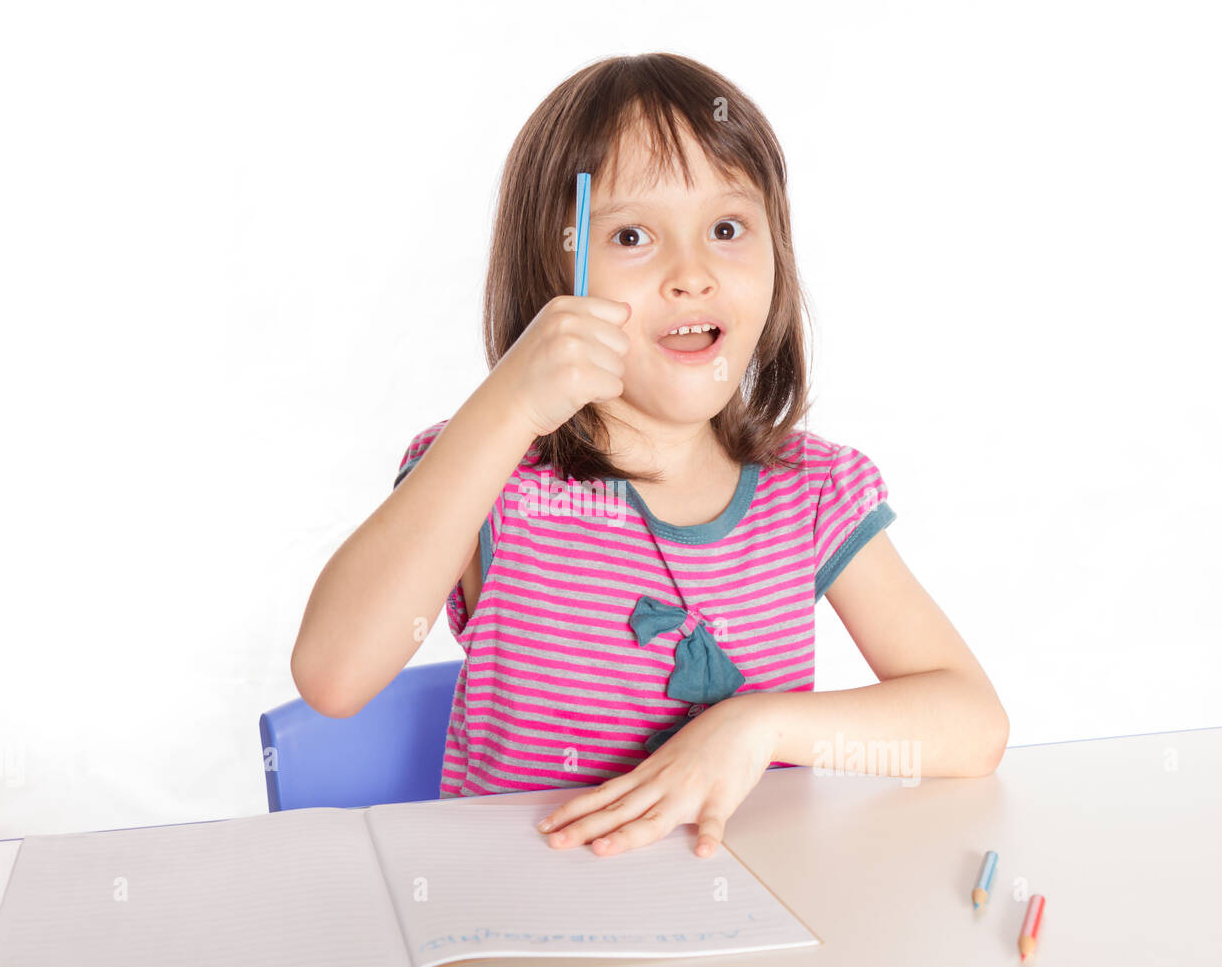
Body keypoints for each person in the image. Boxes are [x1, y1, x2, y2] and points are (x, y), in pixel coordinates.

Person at [292, 53, 1009, 858]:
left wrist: (756, 724)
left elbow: (972, 726)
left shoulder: (810, 492)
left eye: (727, 230)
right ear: (551, 267)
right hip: (530, 928)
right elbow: (333, 675)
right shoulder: (488, 476)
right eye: (632, 235)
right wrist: (508, 406)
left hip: (745, 921)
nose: (691, 274)